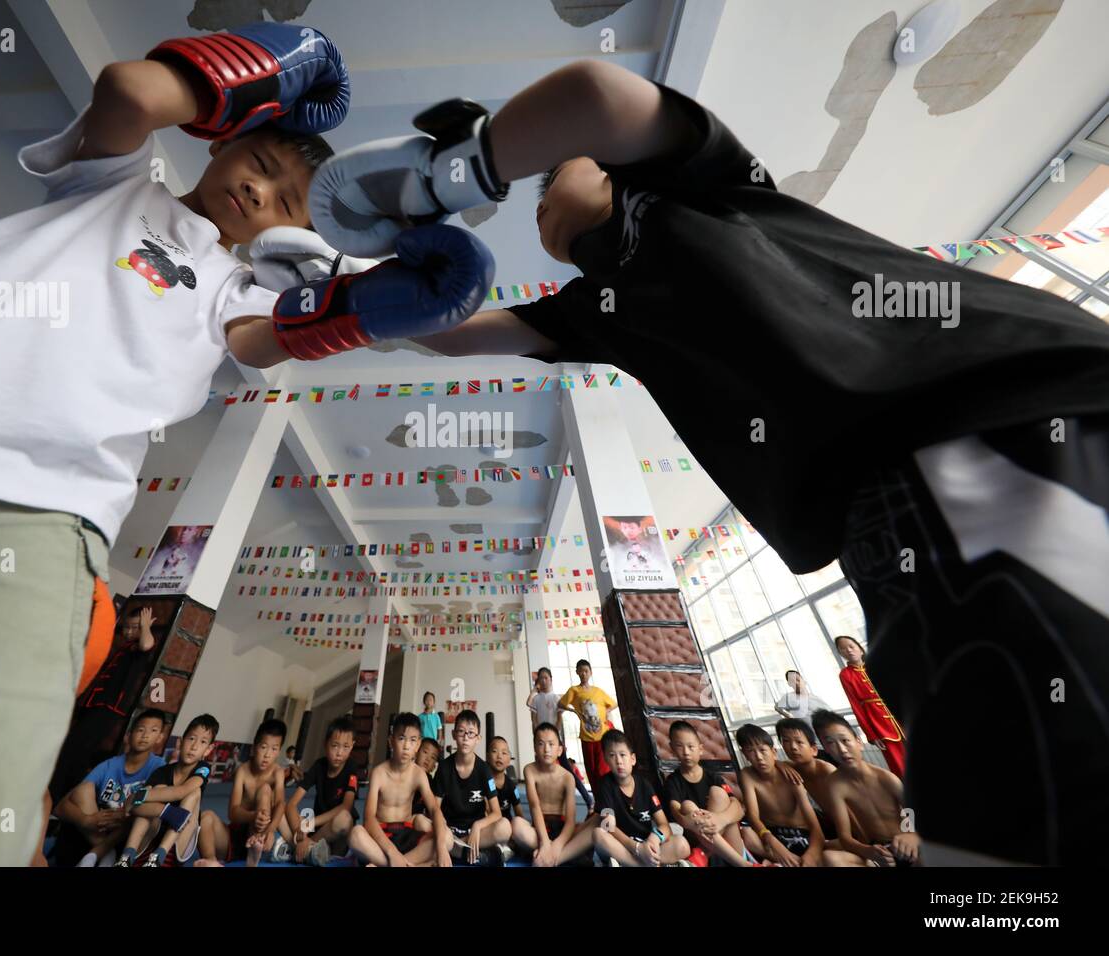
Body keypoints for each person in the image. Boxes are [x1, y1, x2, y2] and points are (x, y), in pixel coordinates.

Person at [309, 56, 1109, 866]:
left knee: (1039, 791)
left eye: (554, 177)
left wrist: (455, 173)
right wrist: (345, 290)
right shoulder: (598, 312)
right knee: (998, 825)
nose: (542, 199)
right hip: (890, 513)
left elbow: (595, 95)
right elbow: (454, 333)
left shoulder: (707, 188)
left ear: (617, 169)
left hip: (990, 425)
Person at [0, 19, 501, 865]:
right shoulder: (115, 185)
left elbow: (279, 337)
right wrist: (275, 61)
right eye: (261, 162)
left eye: (287, 199)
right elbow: (132, 95)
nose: (262, 190)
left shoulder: (236, 302)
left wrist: (375, 308)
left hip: (28, 515)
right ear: (221, 144)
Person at [49, 607, 161, 807]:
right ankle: (61, 799)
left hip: (109, 709)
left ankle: (60, 800)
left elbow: (147, 643)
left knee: (75, 752)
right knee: (73, 751)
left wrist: (145, 627)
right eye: (126, 627)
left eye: (133, 627)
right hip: (95, 705)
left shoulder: (139, 648)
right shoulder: (124, 647)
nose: (128, 632)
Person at [52, 708, 169, 866]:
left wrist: (125, 813)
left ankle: (103, 852)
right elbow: (61, 807)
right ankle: (107, 852)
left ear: (160, 737)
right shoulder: (109, 765)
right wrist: (86, 820)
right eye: (140, 730)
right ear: (128, 736)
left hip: (131, 833)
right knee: (83, 790)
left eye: (153, 730)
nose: (145, 735)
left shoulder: (159, 766)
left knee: (148, 811)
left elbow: (157, 807)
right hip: (100, 828)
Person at [735, 723, 862, 867]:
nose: (758, 757)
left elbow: (815, 828)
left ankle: (788, 861)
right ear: (744, 754)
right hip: (773, 834)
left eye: (763, 750)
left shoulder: (794, 776)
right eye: (751, 751)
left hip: (803, 834)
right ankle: (785, 860)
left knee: (836, 848)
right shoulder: (747, 774)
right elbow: (753, 816)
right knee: (747, 835)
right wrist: (769, 838)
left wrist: (811, 855)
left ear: (774, 752)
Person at [812, 710, 919, 867]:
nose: (841, 750)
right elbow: (845, 837)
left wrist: (911, 834)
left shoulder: (885, 779)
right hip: (877, 851)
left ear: (859, 742)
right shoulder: (834, 785)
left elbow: (911, 811)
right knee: (830, 858)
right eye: (831, 743)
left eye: (845, 740)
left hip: (905, 844)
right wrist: (868, 851)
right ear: (825, 749)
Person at [114, 714, 217, 867]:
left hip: (178, 840)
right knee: (155, 793)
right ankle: (127, 856)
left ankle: (160, 855)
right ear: (180, 742)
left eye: (202, 742)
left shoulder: (203, 769)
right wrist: (153, 805)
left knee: (194, 792)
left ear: (208, 750)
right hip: (151, 836)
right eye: (191, 739)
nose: (194, 746)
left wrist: (139, 795)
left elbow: (182, 791)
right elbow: (135, 807)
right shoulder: (162, 772)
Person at [349, 713, 449, 867]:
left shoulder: (418, 774)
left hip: (407, 832)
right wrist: (392, 852)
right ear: (391, 741)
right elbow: (369, 819)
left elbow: (434, 810)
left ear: (418, 745)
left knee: (446, 838)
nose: (406, 746)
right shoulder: (379, 773)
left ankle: (386, 864)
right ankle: (408, 864)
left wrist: (441, 848)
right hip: (382, 835)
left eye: (412, 740)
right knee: (356, 834)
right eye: (401, 738)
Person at [419, 709, 510, 865]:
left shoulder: (484, 769)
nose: (466, 738)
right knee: (422, 821)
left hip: (476, 831)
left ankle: (456, 850)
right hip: (449, 829)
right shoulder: (444, 768)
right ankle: (473, 853)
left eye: (471, 733)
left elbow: (496, 813)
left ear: (478, 738)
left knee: (505, 827)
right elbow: (435, 809)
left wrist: (477, 825)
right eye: (461, 732)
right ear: (454, 735)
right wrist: (443, 834)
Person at [589, 730, 690, 867]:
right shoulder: (605, 785)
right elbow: (609, 827)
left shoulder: (645, 785)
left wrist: (654, 839)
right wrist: (636, 848)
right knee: (598, 834)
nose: (619, 761)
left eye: (623, 755)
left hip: (646, 843)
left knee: (682, 844)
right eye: (612, 755)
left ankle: (639, 863)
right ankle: (645, 864)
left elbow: (663, 824)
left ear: (633, 759)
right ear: (606, 760)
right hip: (622, 846)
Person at [198, 719, 288, 867]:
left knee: (265, 790)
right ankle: (211, 861)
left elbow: (280, 803)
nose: (267, 755)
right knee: (205, 817)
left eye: (274, 749)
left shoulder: (278, 772)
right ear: (254, 748)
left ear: (279, 751)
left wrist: (270, 831)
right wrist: (253, 815)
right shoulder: (242, 771)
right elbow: (232, 813)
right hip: (234, 837)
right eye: (264, 747)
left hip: (257, 833)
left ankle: (255, 848)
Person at [663, 721, 748, 866]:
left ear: (700, 749)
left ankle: (704, 852)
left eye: (691, 747)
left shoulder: (713, 777)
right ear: (672, 749)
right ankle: (743, 864)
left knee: (718, 794)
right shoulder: (673, 781)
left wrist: (720, 819)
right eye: (679, 746)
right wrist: (687, 819)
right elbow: (676, 811)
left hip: (727, 843)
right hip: (696, 837)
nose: (686, 752)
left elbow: (738, 809)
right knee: (688, 806)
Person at [283, 717, 359, 866]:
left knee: (344, 817)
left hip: (336, 831)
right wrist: (300, 833)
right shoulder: (319, 766)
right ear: (326, 744)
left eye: (346, 747)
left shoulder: (351, 767)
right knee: (280, 807)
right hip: (316, 828)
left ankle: (305, 847)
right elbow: (291, 804)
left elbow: (346, 807)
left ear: (352, 747)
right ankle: (303, 847)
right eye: (335, 746)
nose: (339, 753)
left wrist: (308, 827)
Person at [833, 636, 906, 779]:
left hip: (900, 715)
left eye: (851, 646)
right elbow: (855, 706)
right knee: (898, 764)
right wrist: (871, 734)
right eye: (843, 649)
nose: (848, 650)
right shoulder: (845, 675)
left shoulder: (877, 664)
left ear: (860, 648)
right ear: (840, 654)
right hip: (879, 723)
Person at [510, 724, 578, 866]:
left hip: (561, 829)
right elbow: (535, 806)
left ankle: (549, 854)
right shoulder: (530, 770)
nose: (546, 749)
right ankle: (557, 854)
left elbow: (571, 820)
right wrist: (545, 842)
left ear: (560, 750)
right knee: (516, 824)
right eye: (541, 744)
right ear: (535, 748)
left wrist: (556, 845)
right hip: (539, 830)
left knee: (594, 826)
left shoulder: (567, 777)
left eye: (551, 744)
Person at [556, 659, 619, 796]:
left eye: (586, 671)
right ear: (577, 672)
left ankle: (608, 797)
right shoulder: (574, 691)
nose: (584, 674)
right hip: (586, 737)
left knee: (603, 770)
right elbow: (560, 704)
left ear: (590, 673)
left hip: (602, 737)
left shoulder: (598, 691)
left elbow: (614, 704)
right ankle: (598, 800)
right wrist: (573, 710)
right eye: (581, 671)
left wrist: (607, 712)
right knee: (591, 771)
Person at [487, 736, 519, 823]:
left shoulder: (511, 785)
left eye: (504, 753)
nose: (499, 756)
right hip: (488, 826)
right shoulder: (482, 782)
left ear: (509, 759)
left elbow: (519, 815)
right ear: (487, 757)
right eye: (494, 751)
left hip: (507, 826)